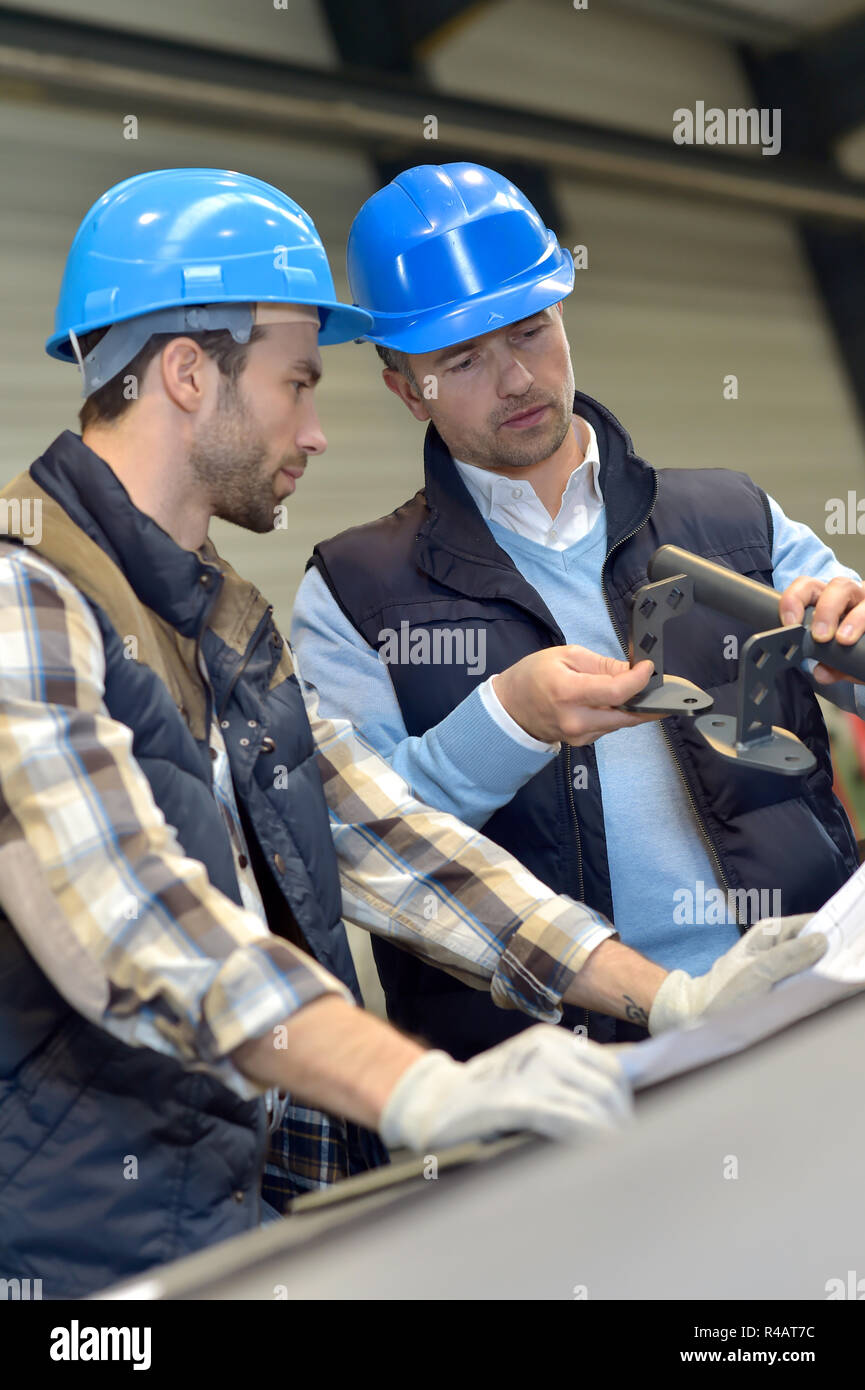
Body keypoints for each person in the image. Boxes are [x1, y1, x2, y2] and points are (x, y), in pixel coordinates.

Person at [0, 168, 823, 1297]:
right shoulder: (26, 599)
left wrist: (662, 998)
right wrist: (417, 1087)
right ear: (189, 374)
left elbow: (391, 843)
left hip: (260, 1202)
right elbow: (138, 927)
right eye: (296, 384)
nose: (318, 430)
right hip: (96, 1253)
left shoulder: (219, 616)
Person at [292, 160, 858, 1058]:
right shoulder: (353, 593)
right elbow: (354, 842)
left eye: (529, 332)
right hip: (567, 1066)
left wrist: (849, 645)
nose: (514, 379)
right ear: (406, 388)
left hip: (809, 1001)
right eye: (462, 360)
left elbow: (854, 663)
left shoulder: (729, 516)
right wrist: (504, 723)